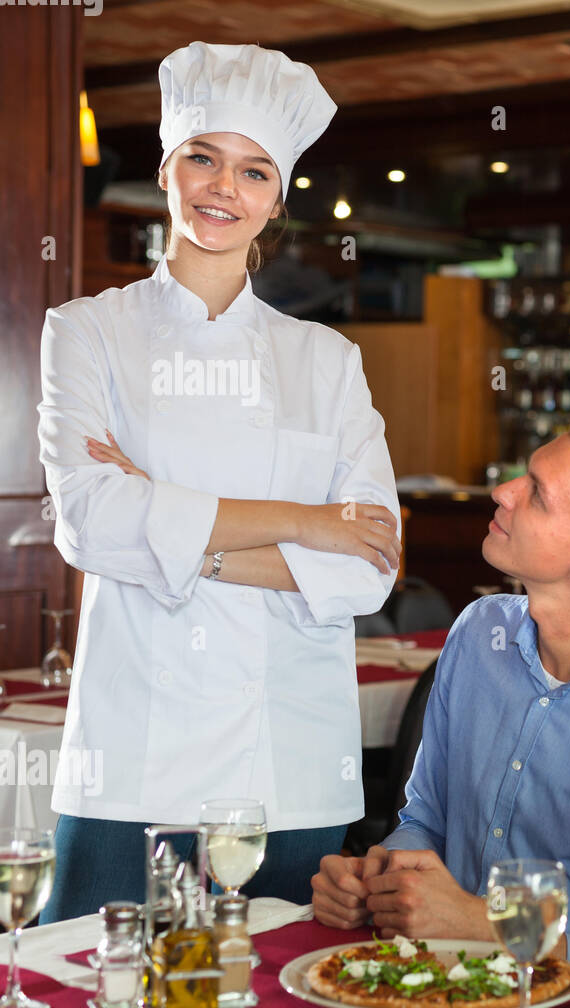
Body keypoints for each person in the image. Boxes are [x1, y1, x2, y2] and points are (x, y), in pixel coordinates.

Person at [37, 43, 401, 922]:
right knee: (94, 998)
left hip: (288, 761)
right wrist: (306, 521)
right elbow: (91, 524)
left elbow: (369, 567)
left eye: (253, 170)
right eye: (202, 156)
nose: (221, 187)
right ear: (166, 166)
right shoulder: (86, 331)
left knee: (273, 997)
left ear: (276, 199)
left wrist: (176, 532)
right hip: (131, 758)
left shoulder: (327, 358)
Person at [311, 395, 570, 981]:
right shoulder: (476, 632)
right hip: (430, 991)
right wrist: (378, 875)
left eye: (536, 493)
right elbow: (426, 819)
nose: (502, 492)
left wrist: (482, 926)